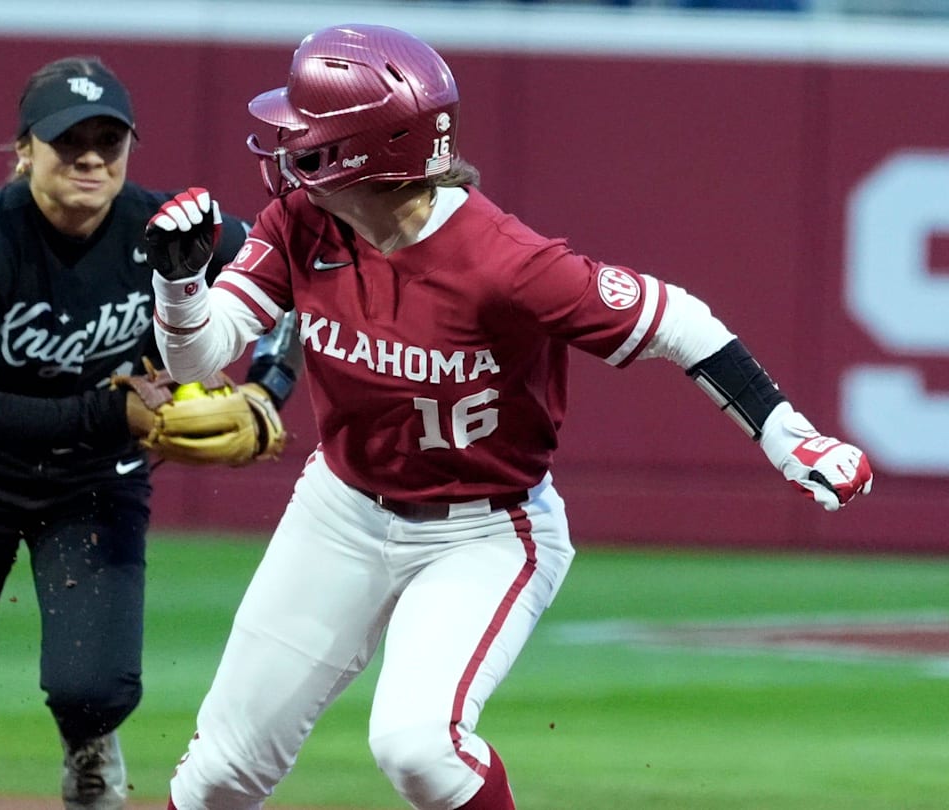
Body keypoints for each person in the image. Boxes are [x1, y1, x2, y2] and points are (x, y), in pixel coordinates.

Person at [141, 24, 873, 810]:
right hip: (341, 509)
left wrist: (792, 439)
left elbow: (679, 321)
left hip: (484, 531)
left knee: (418, 747)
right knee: (218, 774)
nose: (290, 150)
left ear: (368, 154)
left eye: (311, 139)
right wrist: (180, 286)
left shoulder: (505, 263)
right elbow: (197, 358)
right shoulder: (301, 221)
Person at [0, 56, 297, 810]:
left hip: (95, 486)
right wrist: (112, 414)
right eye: (68, 141)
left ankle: (88, 741)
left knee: (92, 690)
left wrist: (269, 386)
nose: (90, 157)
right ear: (25, 150)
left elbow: (293, 280)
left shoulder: (174, 229)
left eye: (109, 141)